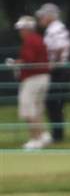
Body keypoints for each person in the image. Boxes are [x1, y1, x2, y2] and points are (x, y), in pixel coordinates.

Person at [9, 15, 50, 148]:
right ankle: (43, 136)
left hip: (33, 78)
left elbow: (29, 61)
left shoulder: (30, 41)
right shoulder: (38, 39)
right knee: (37, 108)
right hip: (42, 77)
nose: (20, 32)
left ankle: (35, 139)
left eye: (22, 29)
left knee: (28, 108)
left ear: (28, 29)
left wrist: (15, 63)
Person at [36, 3, 70, 142]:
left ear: (50, 16)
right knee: (53, 103)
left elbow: (60, 47)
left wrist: (52, 63)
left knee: (54, 102)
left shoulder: (56, 29)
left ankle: (57, 135)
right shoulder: (53, 29)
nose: (41, 18)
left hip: (58, 69)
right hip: (58, 68)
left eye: (43, 16)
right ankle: (56, 133)